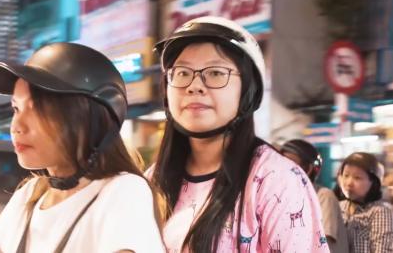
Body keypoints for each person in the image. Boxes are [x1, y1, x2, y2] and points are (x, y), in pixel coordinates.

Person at [149, 16, 329, 252]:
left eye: (215, 73)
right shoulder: (151, 181)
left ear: (248, 91)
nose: (194, 86)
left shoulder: (277, 180)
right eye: (182, 73)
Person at [0, 42, 164, 253]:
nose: (16, 126)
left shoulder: (123, 191)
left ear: (88, 118)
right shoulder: (29, 195)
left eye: (37, 110)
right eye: (16, 108)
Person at [279, 139, 348, 253]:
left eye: (290, 163)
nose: (283, 168)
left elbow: (323, 241)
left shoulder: (324, 196)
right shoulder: (285, 198)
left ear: (308, 169)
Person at [337, 152, 393, 253]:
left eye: (357, 178)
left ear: (373, 182)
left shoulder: (380, 212)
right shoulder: (339, 206)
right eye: (346, 175)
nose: (349, 183)